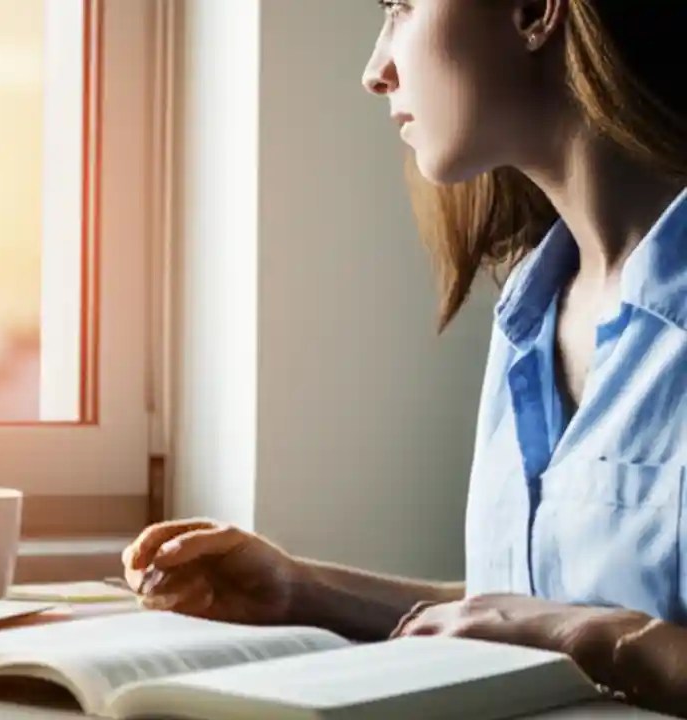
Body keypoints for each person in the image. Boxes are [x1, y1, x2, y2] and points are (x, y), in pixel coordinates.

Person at [122, 0, 687, 714]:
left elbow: (574, 625)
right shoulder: (532, 312)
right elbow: (532, 612)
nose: (374, 71)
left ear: (533, 12)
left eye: (400, 7)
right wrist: (302, 589)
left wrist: (602, 640)